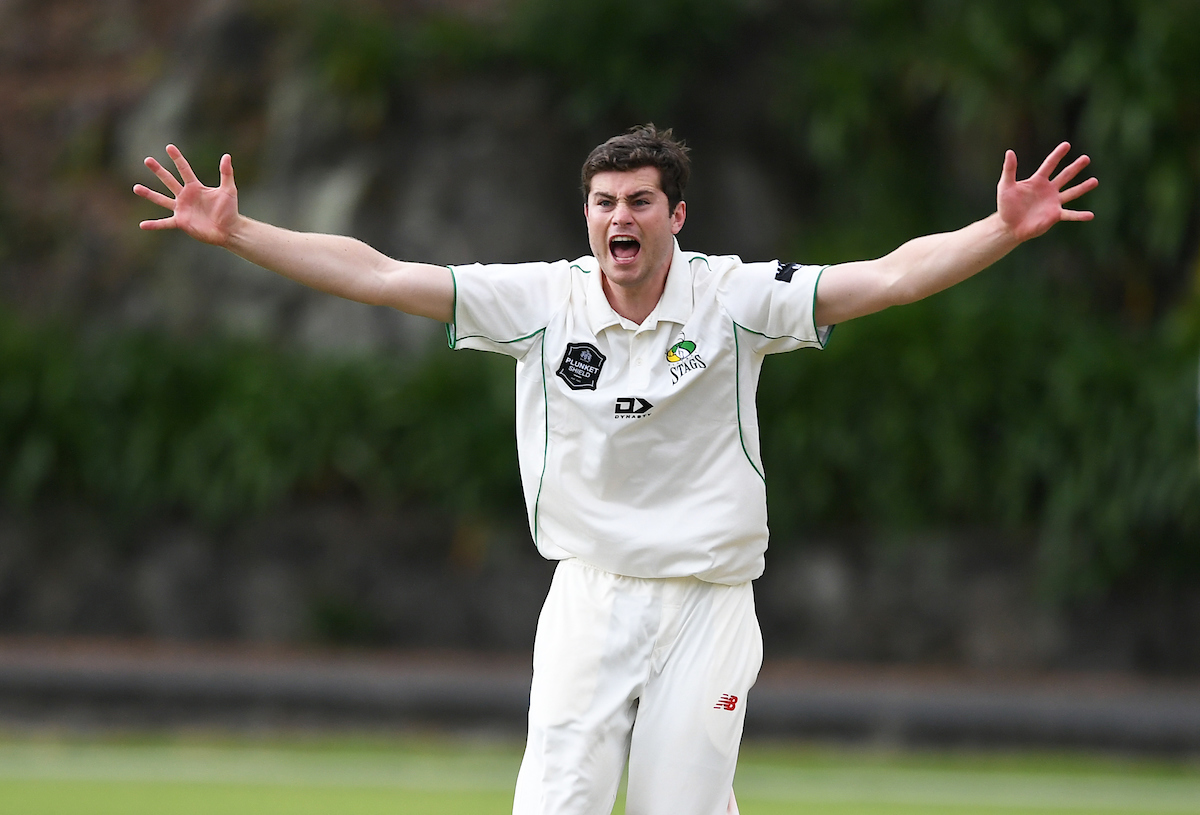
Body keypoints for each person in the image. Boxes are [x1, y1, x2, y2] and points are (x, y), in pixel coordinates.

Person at [134, 125, 1097, 815]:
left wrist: (1002, 229)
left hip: (708, 602)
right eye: (604, 203)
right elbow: (382, 275)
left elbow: (884, 277)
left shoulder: (734, 297)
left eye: (639, 201)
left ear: (676, 214)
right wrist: (242, 232)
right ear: (587, 215)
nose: (619, 217)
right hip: (591, 596)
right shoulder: (540, 302)